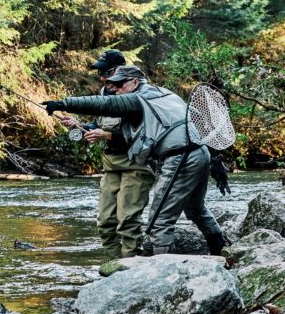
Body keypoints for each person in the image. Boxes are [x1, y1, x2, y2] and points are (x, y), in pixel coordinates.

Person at [44, 66, 227, 257]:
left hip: (181, 157)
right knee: (196, 209)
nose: (116, 89)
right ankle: (222, 250)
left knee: (159, 221)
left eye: (120, 84)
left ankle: (163, 272)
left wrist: (63, 103)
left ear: (135, 82)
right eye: (113, 85)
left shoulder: (138, 98)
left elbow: (103, 105)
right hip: (201, 152)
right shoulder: (164, 93)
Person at [54, 51, 155, 263]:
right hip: (110, 165)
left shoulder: (139, 94)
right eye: (100, 73)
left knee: (127, 221)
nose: (102, 77)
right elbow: (96, 127)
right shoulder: (103, 94)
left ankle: (131, 270)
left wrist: (108, 135)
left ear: (120, 71)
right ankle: (114, 268)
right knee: (105, 222)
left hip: (136, 165)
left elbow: (147, 135)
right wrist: (79, 126)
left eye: (107, 72)